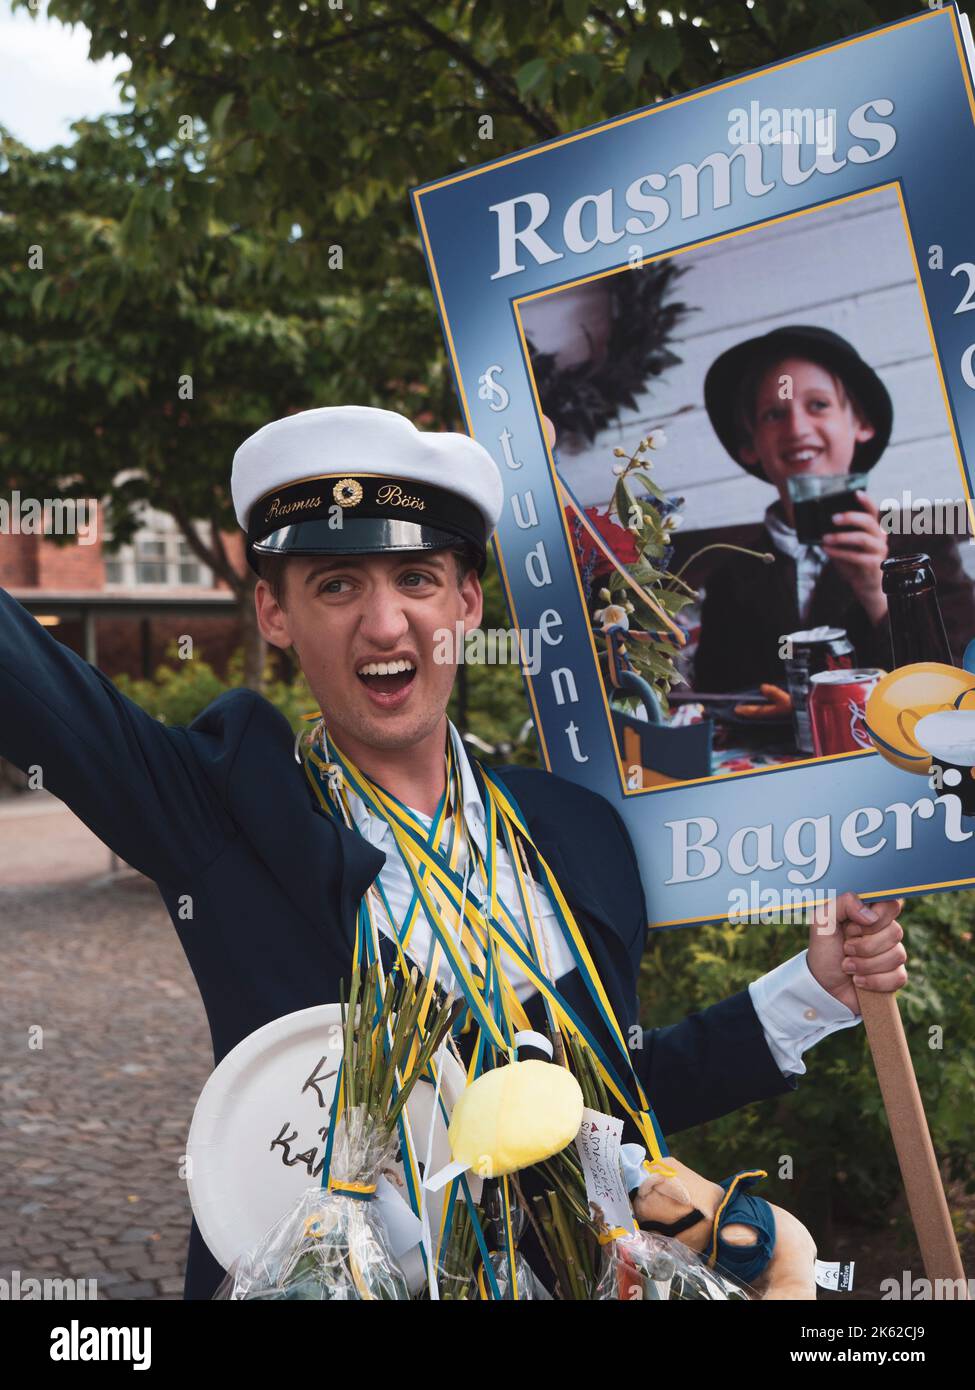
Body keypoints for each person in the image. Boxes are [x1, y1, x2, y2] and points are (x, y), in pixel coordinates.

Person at [0, 404, 908, 1298]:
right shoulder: (222, 820)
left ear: (466, 602)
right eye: (336, 585)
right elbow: (37, 692)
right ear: (273, 612)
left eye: (416, 579)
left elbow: (608, 1101)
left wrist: (810, 991)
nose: (386, 625)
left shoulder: (577, 831)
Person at [694, 325, 975, 694]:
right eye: (774, 414)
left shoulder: (925, 548)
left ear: (861, 424)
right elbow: (716, 695)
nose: (797, 428)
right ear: (750, 446)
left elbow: (958, 686)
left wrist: (877, 592)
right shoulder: (730, 577)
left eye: (819, 405)